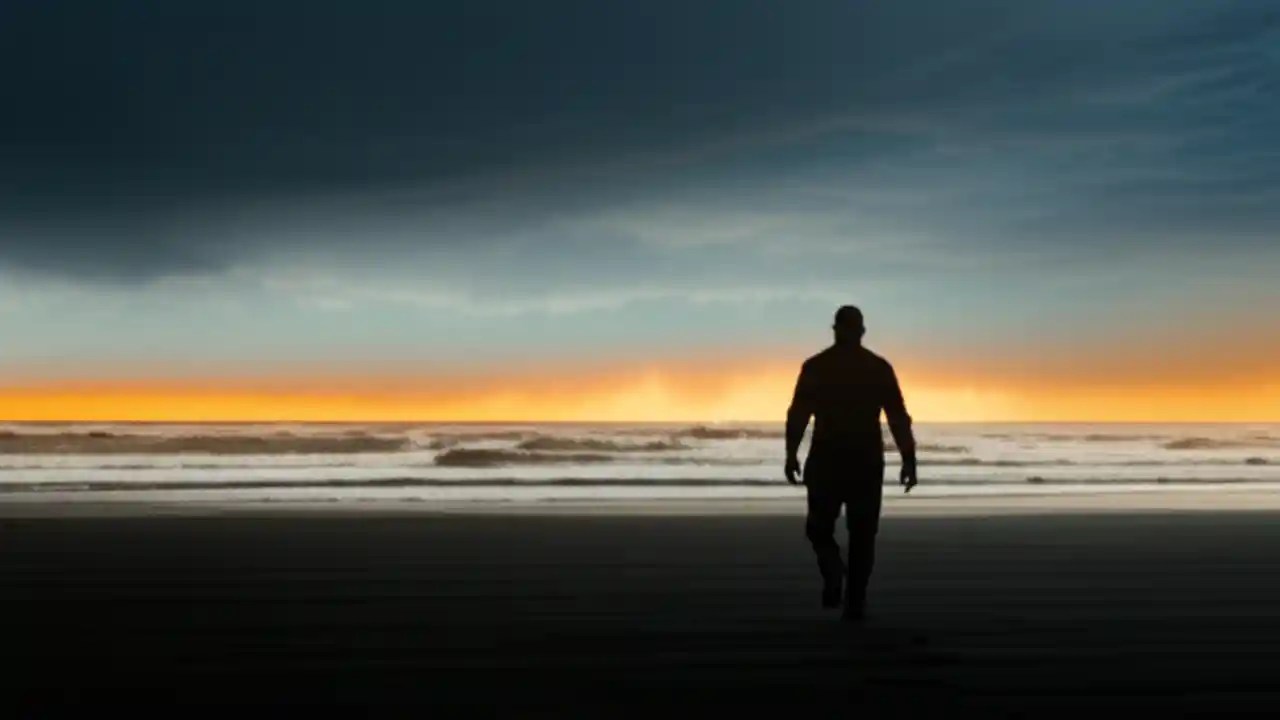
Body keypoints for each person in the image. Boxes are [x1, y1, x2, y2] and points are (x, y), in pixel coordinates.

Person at [785, 305, 917, 621]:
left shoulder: (818, 367)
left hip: (831, 460)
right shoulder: (876, 368)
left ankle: (844, 586)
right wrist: (908, 458)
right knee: (857, 535)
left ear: (836, 330)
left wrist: (791, 453)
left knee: (828, 530)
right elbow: (898, 417)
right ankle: (850, 595)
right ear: (861, 331)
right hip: (861, 461)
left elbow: (798, 414)